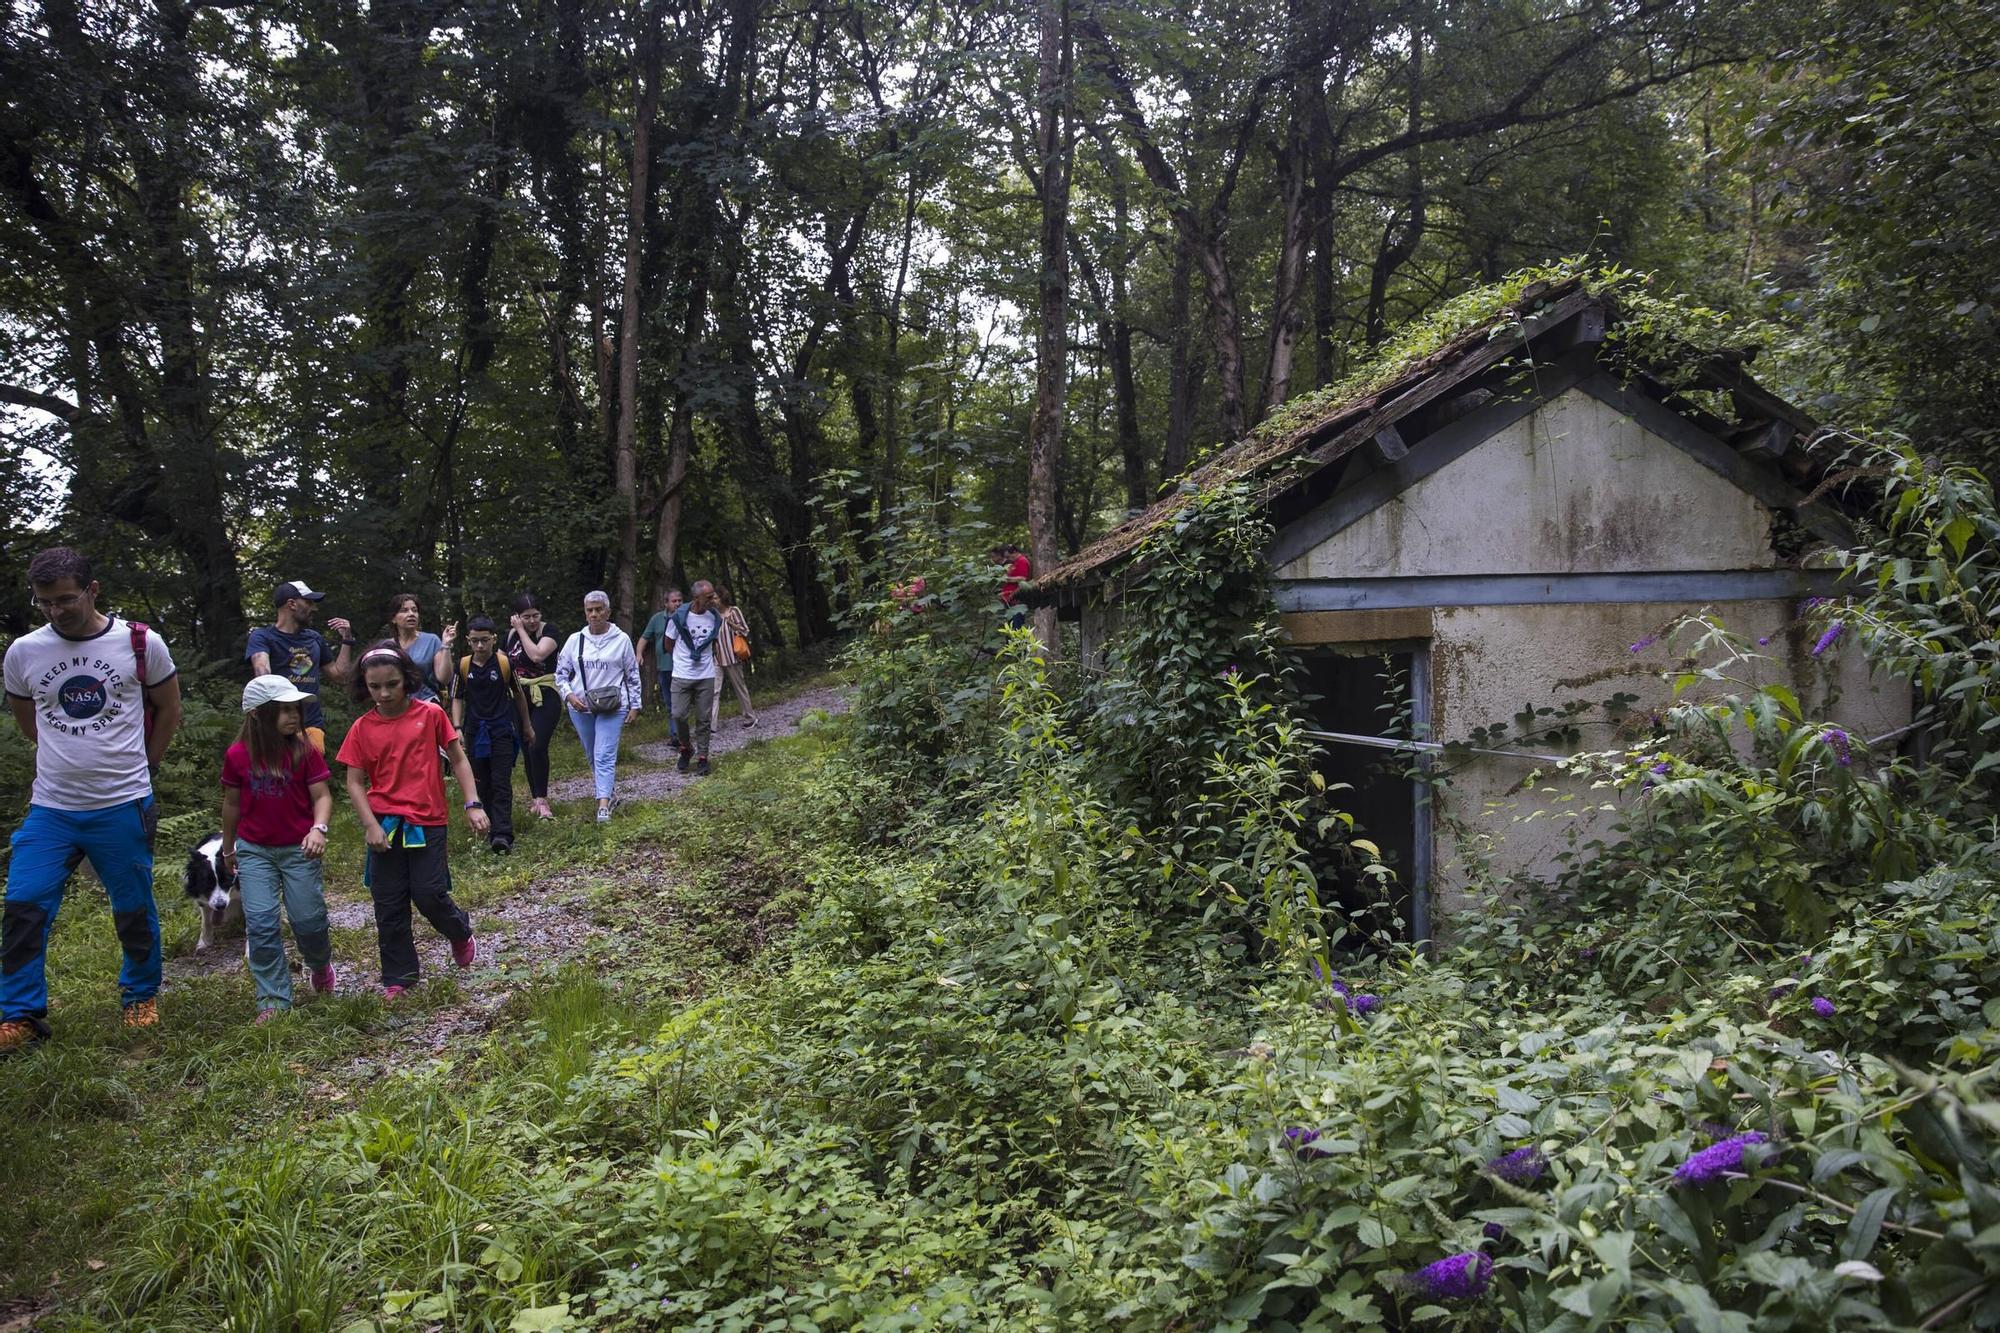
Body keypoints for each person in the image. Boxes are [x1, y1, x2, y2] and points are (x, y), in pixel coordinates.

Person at [0, 547, 183, 1055]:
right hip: (51, 808)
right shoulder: (23, 653)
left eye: (65, 599)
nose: (57, 610)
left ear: (92, 589)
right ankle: (20, 1015)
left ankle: (140, 997)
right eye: (45, 603)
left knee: (131, 907)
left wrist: (146, 766)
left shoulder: (139, 644)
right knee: (23, 906)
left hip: (122, 803)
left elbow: (169, 709)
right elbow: (29, 723)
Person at [338, 643, 488, 999]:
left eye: (392, 684)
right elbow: (354, 782)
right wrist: (370, 825)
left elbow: (459, 759)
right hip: (384, 826)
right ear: (365, 685)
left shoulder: (431, 714)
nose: (384, 693)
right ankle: (399, 978)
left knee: (429, 893)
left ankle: (459, 930)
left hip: (428, 821)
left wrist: (473, 803)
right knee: (388, 902)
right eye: (375, 687)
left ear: (407, 679)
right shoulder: (361, 728)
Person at [219, 675, 336, 1022]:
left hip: (299, 848)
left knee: (308, 920)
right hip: (255, 850)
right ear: (257, 715)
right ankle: (272, 998)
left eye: (295, 709)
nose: (293, 716)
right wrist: (229, 849)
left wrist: (319, 829)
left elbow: (323, 796)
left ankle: (319, 964)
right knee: (261, 922)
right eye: (283, 710)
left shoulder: (306, 751)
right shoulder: (238, 755)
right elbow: (231, 805)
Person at [554, 591, 641, 823]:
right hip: (581, 706)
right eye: (590, 610)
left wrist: (635, 705)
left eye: (599, 609)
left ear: (608, 612)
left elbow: (632, 674)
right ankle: (609, 794)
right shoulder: (575, 640)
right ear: (585, 613)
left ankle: (602, 805)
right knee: (593, 754)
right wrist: (569, 696)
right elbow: (560, 674)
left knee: (604, 754)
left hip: (613, 705)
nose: (594, 614)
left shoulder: (621, 640)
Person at [451, 616, 534, 853]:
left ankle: (502, 834)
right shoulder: (463, 666)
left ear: (493, 639)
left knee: (501, 782)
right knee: (480, 782)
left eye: (484, 640)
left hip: (502, 730)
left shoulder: (504, 663)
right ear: (468, 640)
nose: (479, 646)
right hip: (474, 731)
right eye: (475, 641)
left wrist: (527, 726)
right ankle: (485, 828)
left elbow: (518, 695)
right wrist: (456, 728)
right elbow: (457, 697)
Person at [245, 580, 354, 754]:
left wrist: (347, 639)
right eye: (309, 602)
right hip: (276, 728)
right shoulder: (262, 637)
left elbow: (340, 676)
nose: (314, 608)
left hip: (311, 727)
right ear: (292, 604)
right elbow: (263, 679)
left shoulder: (315, 638)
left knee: (312, 780)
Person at [504, 594, 561, 821]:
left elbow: (537, 655)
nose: (532, 621)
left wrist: (521, 631)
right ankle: (536, 799)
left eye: (535, 615)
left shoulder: (549, 631)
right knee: (527, 746)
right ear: (517, 617)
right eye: (526, 617)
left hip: (545, 693)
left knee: (537, 744)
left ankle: (543, 799)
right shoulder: (508, 636)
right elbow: (502, 663)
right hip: (519, 695)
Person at [664, 580, 724, 776]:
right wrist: (685, 657)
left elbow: (714, 642)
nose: (713, 600)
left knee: (703, 719)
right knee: (678, 715)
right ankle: (686, 747)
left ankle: (703, 757)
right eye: (709, 597)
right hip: (682, 674)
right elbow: (668, 644)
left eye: (713, 596)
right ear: (697, 598)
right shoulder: (678, 618)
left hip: (705, 674)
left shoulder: (714, 618)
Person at [636, 587, 686, 750]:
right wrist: (639, 654)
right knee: (670, 702)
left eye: (679, 600)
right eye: (674, 601)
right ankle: (676, 735)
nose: (677, 604)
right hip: (664, 667)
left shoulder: (687, 616)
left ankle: (682, 734)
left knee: (682, 702)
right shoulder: (657, 619)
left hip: (684, 668)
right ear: (666, 603)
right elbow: (644, 638)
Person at [387, 592, 455, 703]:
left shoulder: (431, 641)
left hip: (426, 703)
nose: (411, 614)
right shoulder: (387, 647)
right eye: (404, 611)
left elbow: (444, 678)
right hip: (395, 705)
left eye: (414, 610)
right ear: (393, 618)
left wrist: (446, 646)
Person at [709, 585, 758, 730]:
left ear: (722, 598)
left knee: (739, 687)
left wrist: (732, 625)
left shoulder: (734, 611)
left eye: (716, 598)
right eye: (712, 598)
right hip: (717, 658)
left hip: (733, 657)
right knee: (714, 690)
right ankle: (711, 725)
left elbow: (745, 630)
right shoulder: (712, 615)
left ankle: (750, 717)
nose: (713, 601)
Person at [996, 544, 1030, 630]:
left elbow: (1023, 578)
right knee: (1009, 627)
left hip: (1017, 599)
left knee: (1016, 627)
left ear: (1015, 552)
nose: (1008, 559)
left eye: (1009, 556)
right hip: (1009, 600)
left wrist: (1007, 579)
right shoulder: (1015, 562)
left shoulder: (1022, 561)